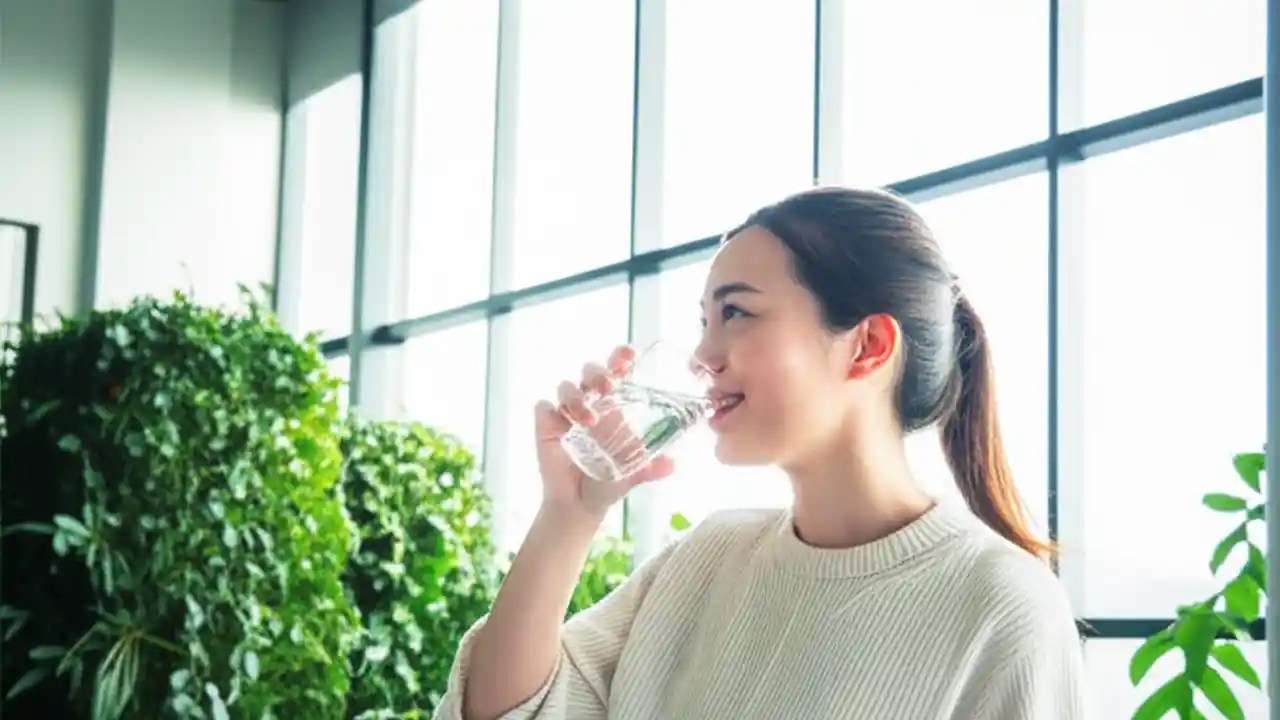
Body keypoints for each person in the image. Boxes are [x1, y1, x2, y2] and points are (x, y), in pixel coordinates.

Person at [434, 187, 1087, 719]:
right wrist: (568, 513)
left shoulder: (1003, 607)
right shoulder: (706, 559)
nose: (701, 356)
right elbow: (505, 712)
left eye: (737, 314)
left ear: (868, 347)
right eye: (704, 322)